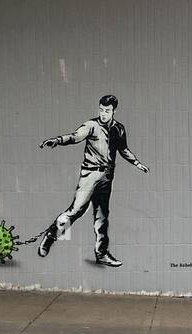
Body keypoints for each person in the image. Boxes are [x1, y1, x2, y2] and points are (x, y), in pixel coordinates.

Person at [37, 94, 148, 267]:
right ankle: (50, 237)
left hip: (107, 177)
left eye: (107, 111)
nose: (104, 114)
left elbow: (123, 149)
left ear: (114, 111)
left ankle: (102, 254)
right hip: (90, 175)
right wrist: (58, 141)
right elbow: (75, 137)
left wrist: (137, 163)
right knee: (76, 211)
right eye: (101, 110)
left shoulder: (119, 128)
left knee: (102, 217)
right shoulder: (91, 125)